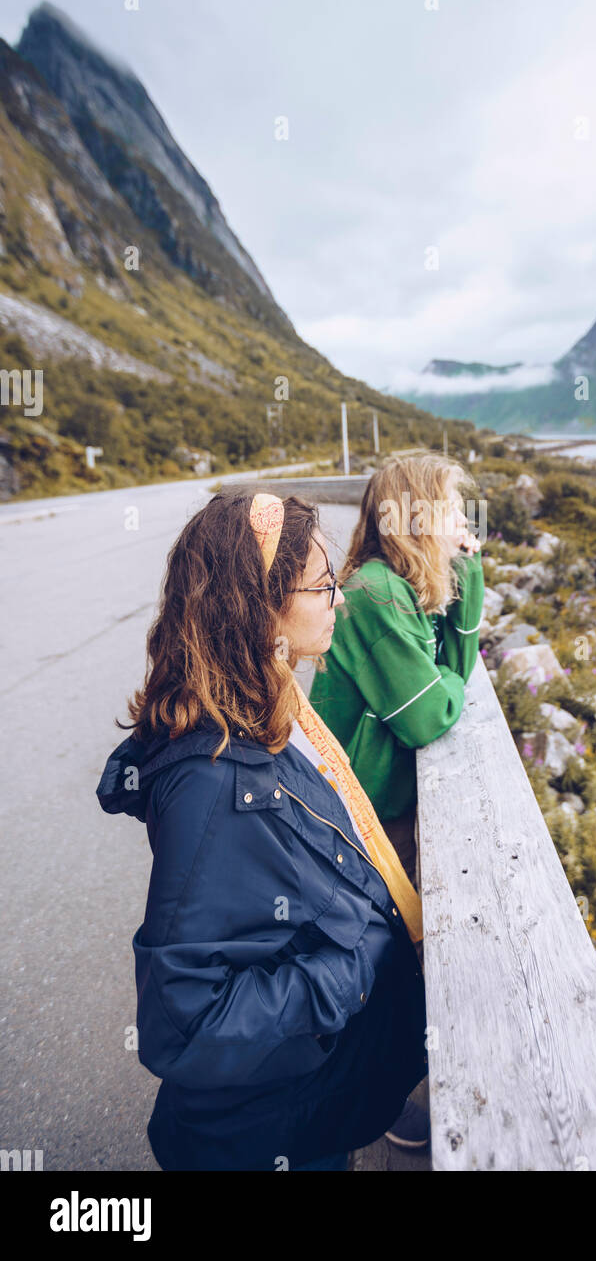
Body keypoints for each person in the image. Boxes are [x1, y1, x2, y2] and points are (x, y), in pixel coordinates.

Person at [96, 490, 427, 1171]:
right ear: (259, 606)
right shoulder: (214, 785)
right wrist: (355, 964)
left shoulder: (274, 707)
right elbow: (186, 1023)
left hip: (303, 1105)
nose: (340, 601)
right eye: (324, 585)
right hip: (261, 1134)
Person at [310, 450, 484, 898]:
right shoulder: (376, 593)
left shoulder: (400, 586)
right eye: (450, 508)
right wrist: (445, 678)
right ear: (417, 519)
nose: (463, 520)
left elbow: (457, 670)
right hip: (362, 816)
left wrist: (469, 567)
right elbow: (428, 716)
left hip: (381, 803)